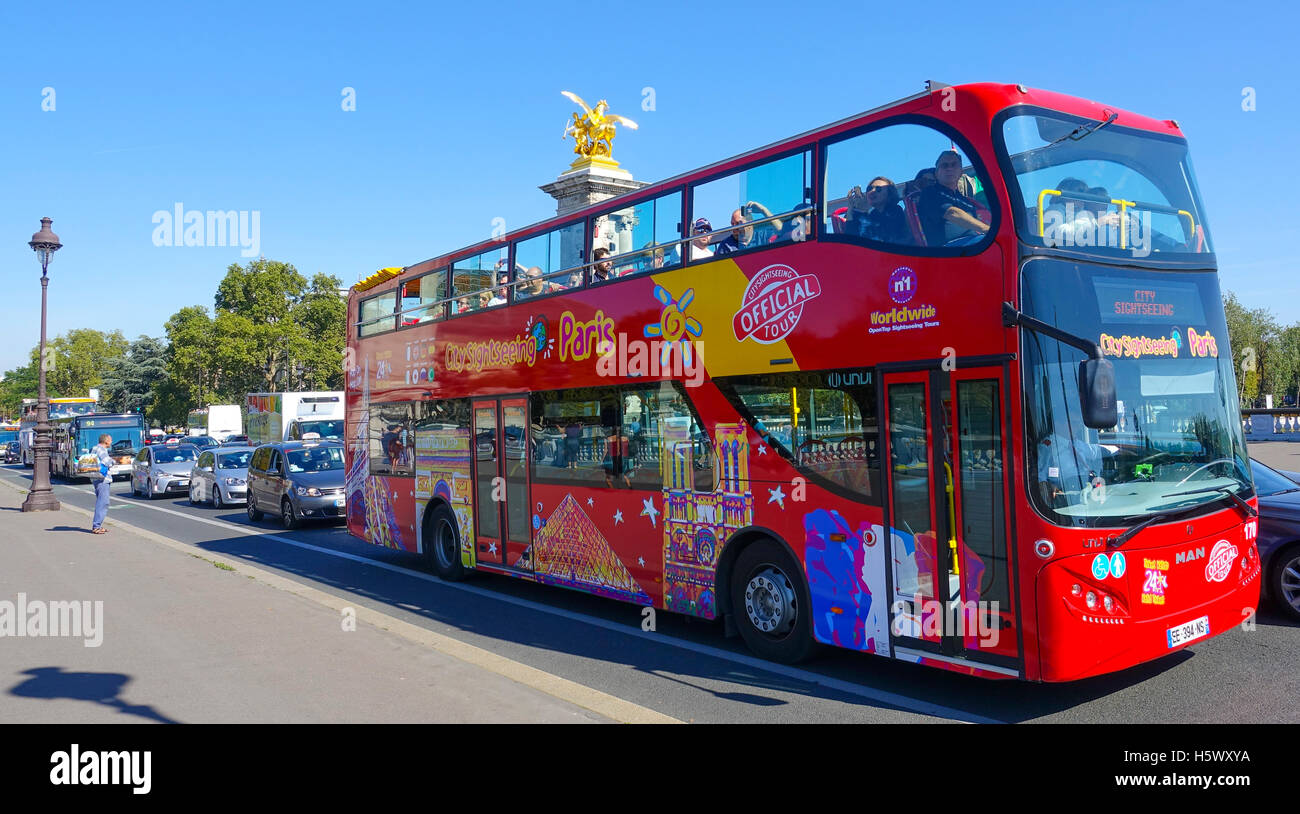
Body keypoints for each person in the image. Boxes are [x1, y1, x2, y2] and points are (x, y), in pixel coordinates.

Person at [917, 151, 990, 246]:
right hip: (948, 248)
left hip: (975, 241)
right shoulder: (929, 193)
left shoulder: (965, 200)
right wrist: (987, 229)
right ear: (936, 173)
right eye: (944, 165)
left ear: (961, 172)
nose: (949, 168)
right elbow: (952, 213)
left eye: (954, 165)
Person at [1036, 430, 1106, 507]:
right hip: (1066, 497)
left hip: (1087, 490)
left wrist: (1115, 448)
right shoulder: (1048, 446)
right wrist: (1047, 486)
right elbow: (1040, 475)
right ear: (1061, 425)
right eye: (1075, 424)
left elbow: (1097, 451)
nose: (1077, 427)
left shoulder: (1077, 443)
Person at [844, 177, 909, 244]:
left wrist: (867, 209)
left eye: (878, 189)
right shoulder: (869, 215)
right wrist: (850, 211)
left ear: (889, 194)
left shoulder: (896, 211)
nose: (872, 191)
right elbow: (850, 241)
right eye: (869, 189)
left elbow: (888, 236)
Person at [90, 433, 113, 534]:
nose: (111, 442)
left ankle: (98, 525)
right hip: (102, 478)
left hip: (95, 478)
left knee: (101, 501)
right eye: (110, 440)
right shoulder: (102, 450)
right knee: (103, 502)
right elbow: (107, 461)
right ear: (106, 441)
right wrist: (113, 461)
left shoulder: (94, 448)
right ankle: (96, 526)